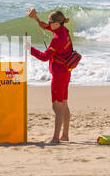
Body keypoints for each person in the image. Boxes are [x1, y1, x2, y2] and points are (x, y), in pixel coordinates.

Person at [24, 8, 73, 143]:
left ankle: (56, 138)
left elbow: (45, 57)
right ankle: (65, 135)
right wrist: (36, 19)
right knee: (64, 104)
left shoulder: (57, 39)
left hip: (58, 75)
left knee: (56, 107)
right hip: (66, 72)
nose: (49, 24)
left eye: (51, 22)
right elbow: (46, 27)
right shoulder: (64, 30)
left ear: (57, 23)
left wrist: (30, 49)